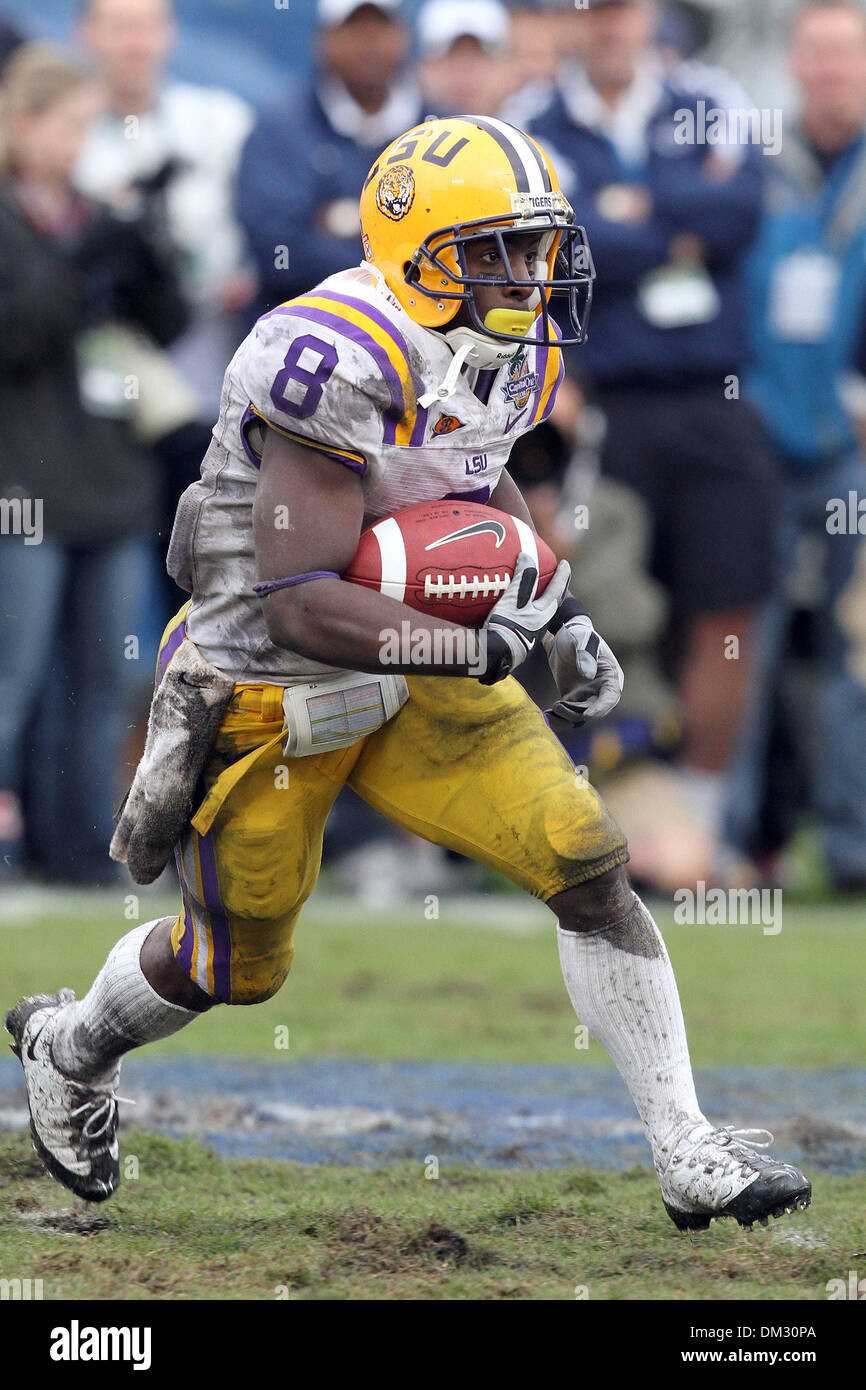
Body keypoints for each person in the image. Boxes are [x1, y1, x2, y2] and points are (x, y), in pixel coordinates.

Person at [6, 115, 810, 1233]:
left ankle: (686, 1147)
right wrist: (474, 644)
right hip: (267, 679)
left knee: (587, 862)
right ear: (421, 250)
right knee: (233, 965)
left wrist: (550, 608)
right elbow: (302, 592)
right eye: (498, 249)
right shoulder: (338, 354)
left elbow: (473, 489)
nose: (529, 275)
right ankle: (72, 1044)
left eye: (536, 247)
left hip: (417, 660)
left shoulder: (511, 346)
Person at [524, 0, 777, 876]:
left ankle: (698, 819)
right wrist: (669, 226)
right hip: (599, 403)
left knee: (725, 604)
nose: (607, 24)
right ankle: (605, 820)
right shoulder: (533, 120)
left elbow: (740, 213)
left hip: (713, 396)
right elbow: (557, 244)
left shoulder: (712, 97)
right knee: (598, 606)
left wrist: (620, 216)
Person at [0, 43, 188, 883]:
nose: (81, 142)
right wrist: (81, 261)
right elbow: (17, 332)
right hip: (21, 480)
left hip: (107, 477)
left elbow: (169, 326)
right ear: (23, 123)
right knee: (13, 675)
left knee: (106, 678)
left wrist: (146, 252)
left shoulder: (88, 212)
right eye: (68, 124)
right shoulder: (14, 220)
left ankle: (78, 848)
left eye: (88, 126)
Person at [726, 0, 866, 888]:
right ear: (793, 63)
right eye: (814, 53)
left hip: (851, 443)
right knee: (746, 646)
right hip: (757, 440)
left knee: (855, 652)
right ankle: (730, 844)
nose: (829, 70)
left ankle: (854, 848)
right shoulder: (748, 162)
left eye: (845, 54)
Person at [74, 0, 256, 423]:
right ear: (83, 33)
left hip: (218, 329)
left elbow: (271, 220)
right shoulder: (62, 133)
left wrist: (250, 275)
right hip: (102, 338)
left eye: (148, 27)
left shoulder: (220, 120)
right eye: (120, 28)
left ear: (170, 33)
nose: (135, 45)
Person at [236, 0, 427, 316]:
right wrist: (402, 266)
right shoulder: (278, 130)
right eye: (354, 30)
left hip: (426, 331)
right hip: (299, 330)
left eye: (379, 30)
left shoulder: (439, 127)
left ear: (403, 36)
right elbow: (278, 254)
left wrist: (340, 223)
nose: (369, 45)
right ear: (323, 40)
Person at [417, 0, 512, 118]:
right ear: (424, 68)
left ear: (508, 66)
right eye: (450, 58)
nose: (464, 75)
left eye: (479, 57)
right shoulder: (400, 136)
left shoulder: (534, 135)